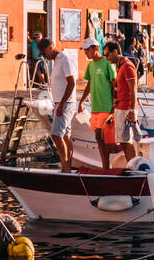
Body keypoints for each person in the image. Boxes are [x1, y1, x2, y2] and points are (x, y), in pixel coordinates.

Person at [77, 39, 117, 171]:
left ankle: (107, 167)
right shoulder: (90, 66)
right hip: (95, 107)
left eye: (87, 50)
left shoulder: (107, 63)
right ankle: (105, 167)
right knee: (99, 139)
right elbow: (89, 84)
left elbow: (114, 84)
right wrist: (82, 101)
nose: (86, 53)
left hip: (106, 106)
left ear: (95, 48)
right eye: (85, 50)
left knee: (103, 138)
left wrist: (114, 105)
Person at [41, 39, 77, 173]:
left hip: (65, 103)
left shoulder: (64, 59)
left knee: (56, 135)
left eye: (43, 52)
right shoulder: (56, 61)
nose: (43, 56)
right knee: (66, 136)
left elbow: (72, 82)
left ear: (50, 47)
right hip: (61, 102)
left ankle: (66, 168)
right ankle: (67, 167)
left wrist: (61, 104)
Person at [105, 40, 141, 163]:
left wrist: (131, 110)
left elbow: (133, 89)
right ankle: (131, 165)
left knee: (127, 141)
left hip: (126, 108)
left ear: (115, 51)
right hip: (121, 107)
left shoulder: (127, 65)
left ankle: (134, 167)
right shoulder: (119, 65)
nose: (106, 58)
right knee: (124, 140)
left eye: (107, 54)